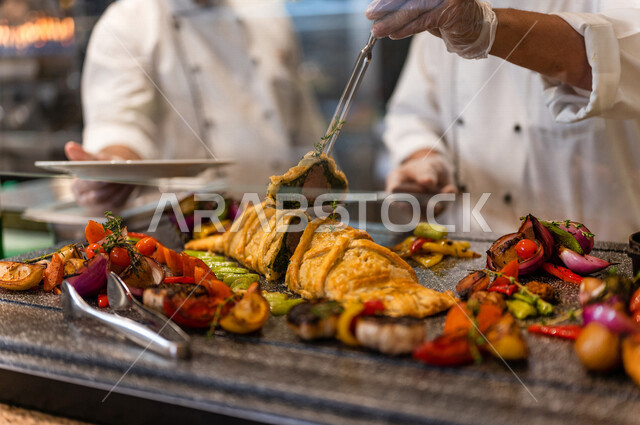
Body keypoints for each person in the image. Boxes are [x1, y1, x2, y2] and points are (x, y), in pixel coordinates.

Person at [366, 0, 640, 242]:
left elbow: (627, 55)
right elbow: (415, 113)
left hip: (596, 255)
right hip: (466, 254)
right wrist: (423, 161)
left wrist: (489, 28)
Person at [66, 0, 324, 213]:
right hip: (188, 234)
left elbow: (305, 129)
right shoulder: (126, 23)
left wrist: (323, 203)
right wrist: (110, 169)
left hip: (286, 221)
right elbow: (121, 124)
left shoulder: (267, 11)